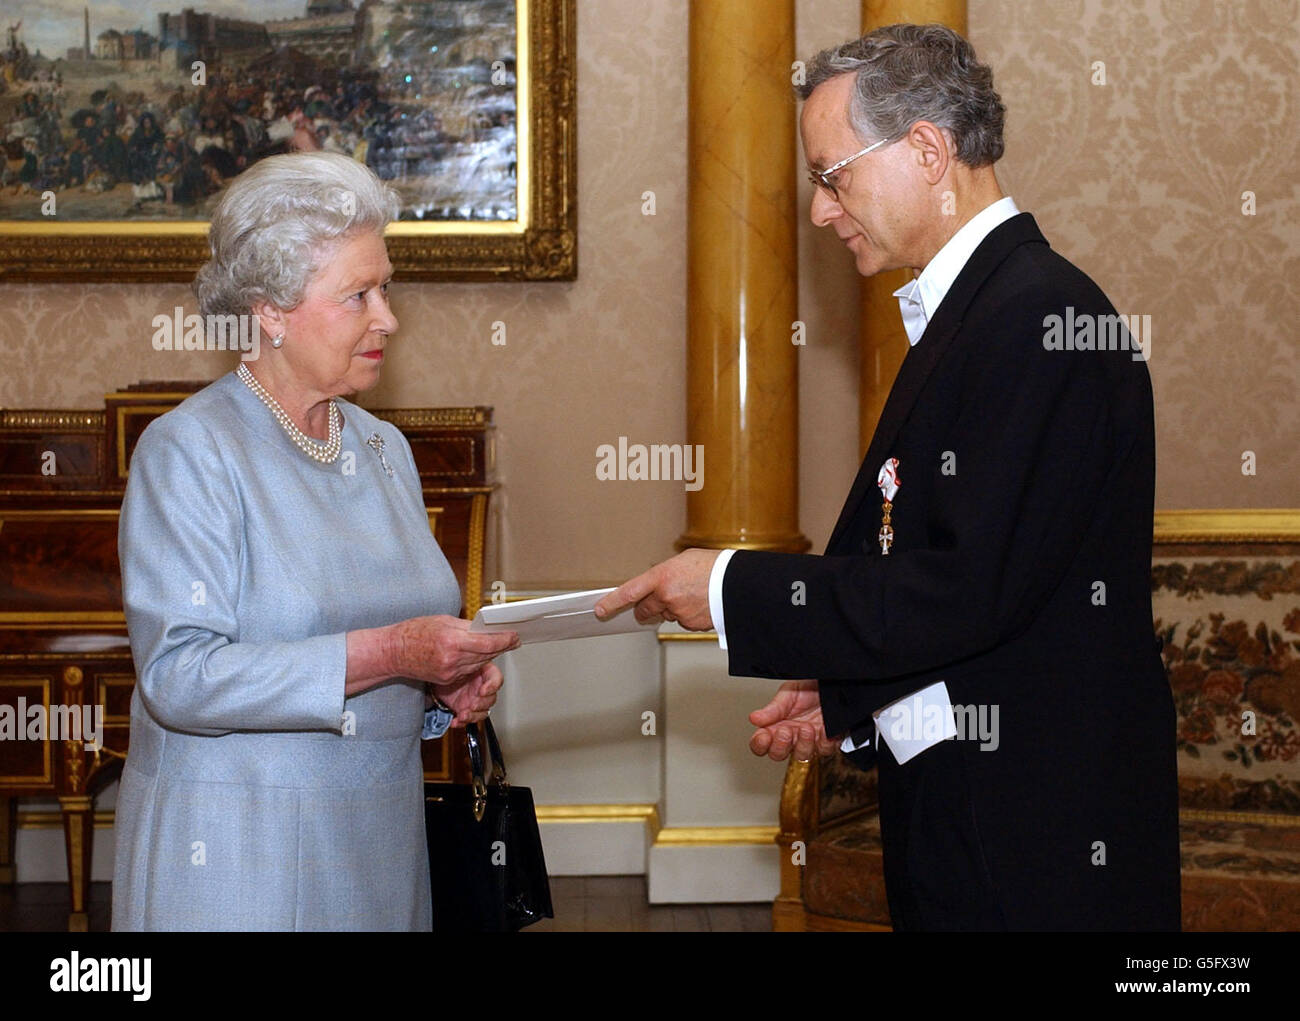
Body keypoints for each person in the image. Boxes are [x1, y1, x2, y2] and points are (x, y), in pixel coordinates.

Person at [596, 23, 1180, 931]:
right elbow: (983, 592)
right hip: (983, 816)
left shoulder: (1037, 319)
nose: (822, 210)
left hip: (1034, 847)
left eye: (832, 176)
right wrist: (849, 696)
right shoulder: (991, 307)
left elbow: (960, 588)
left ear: (927, 149)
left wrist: (724, 584)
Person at [112, 151, 518, 931]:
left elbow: (392, 638)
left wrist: (441, 688)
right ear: (268, 309)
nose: (387, 317)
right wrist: (394, 653)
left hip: (378, 850)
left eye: (386, 286)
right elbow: (180, 675)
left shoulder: (380, 446)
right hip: (237, 861)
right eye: (357, 294)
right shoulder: (190, 451)